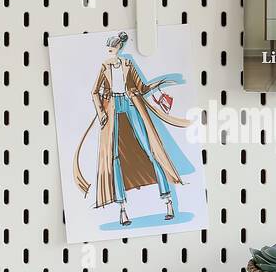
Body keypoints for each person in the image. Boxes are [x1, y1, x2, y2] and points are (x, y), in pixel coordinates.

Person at [73, 31, 193, 226]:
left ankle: (168, 202)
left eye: (112, 48)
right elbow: (94, 92)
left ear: (119, 48)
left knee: (151, 151)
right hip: (112, 109)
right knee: (115, 158)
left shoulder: (128, 64)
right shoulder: (104, 66)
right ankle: (122, 209)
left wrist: (160, 82)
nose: (109, 51)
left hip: (130, 105)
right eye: (108, 48)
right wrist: (102, 113)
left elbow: (143, 88)